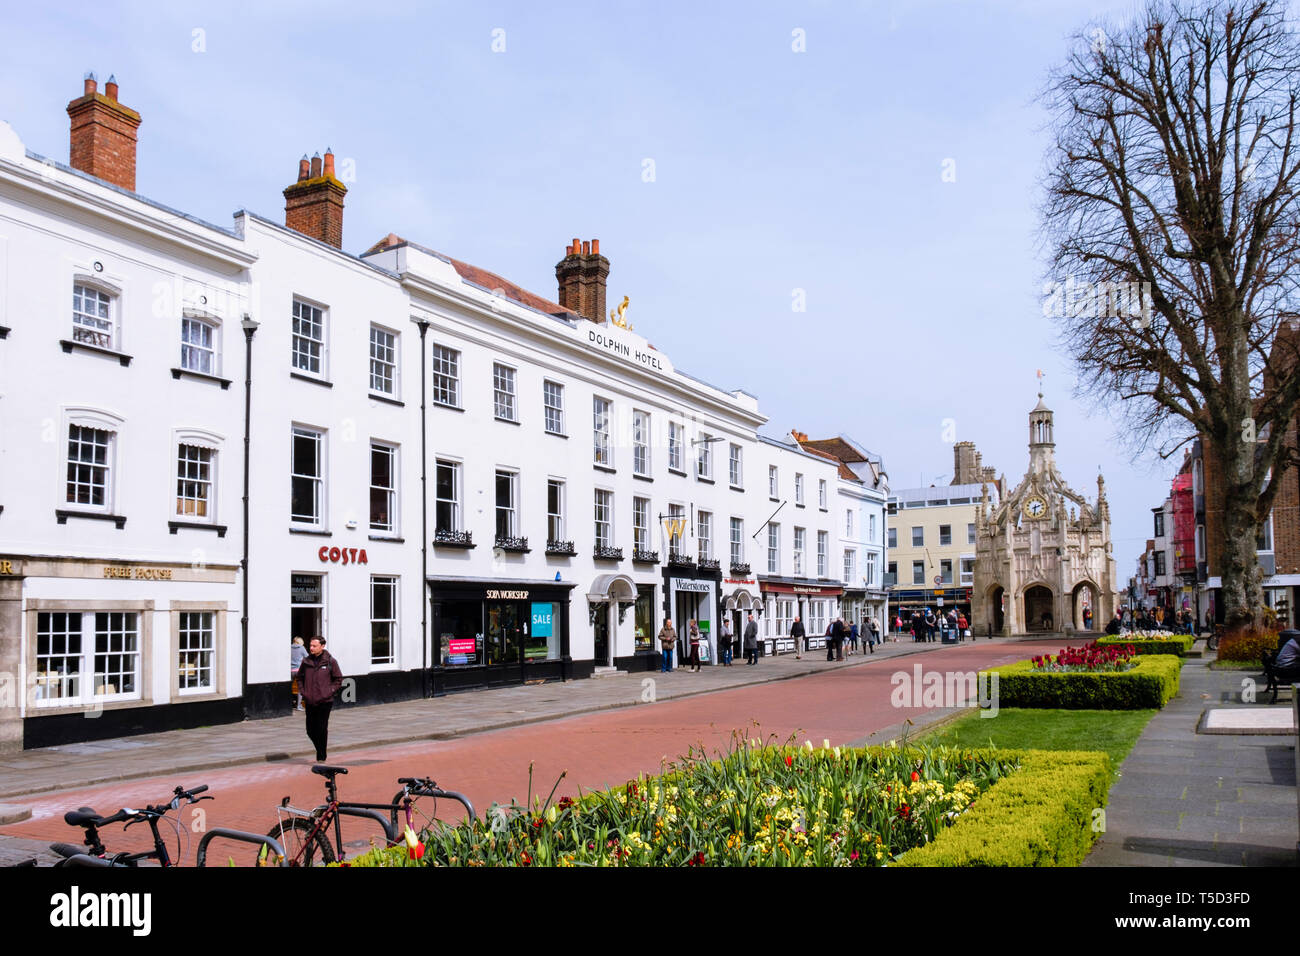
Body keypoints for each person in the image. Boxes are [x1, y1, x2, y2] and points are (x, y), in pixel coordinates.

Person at [297, 636, 343, 762]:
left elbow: (338, 679)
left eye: (314, 646)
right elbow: (299, 678)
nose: (311, 648)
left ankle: (321, 756)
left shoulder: (330, 661)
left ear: (322, 646)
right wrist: (304, 692)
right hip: (310, 700)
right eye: (310, 645)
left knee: (321, 728)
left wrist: (329, 691)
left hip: (325, 701)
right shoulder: (306, 662)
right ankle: (320, 750)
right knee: (310, 730)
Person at [290, 637, 308, 711]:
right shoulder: (301, 648)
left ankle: (290, 703)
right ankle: (299, 706)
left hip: (290, 670)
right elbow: (307, 657)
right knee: (300, 688)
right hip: (298, 670)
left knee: (289, 688)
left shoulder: (289, 647)